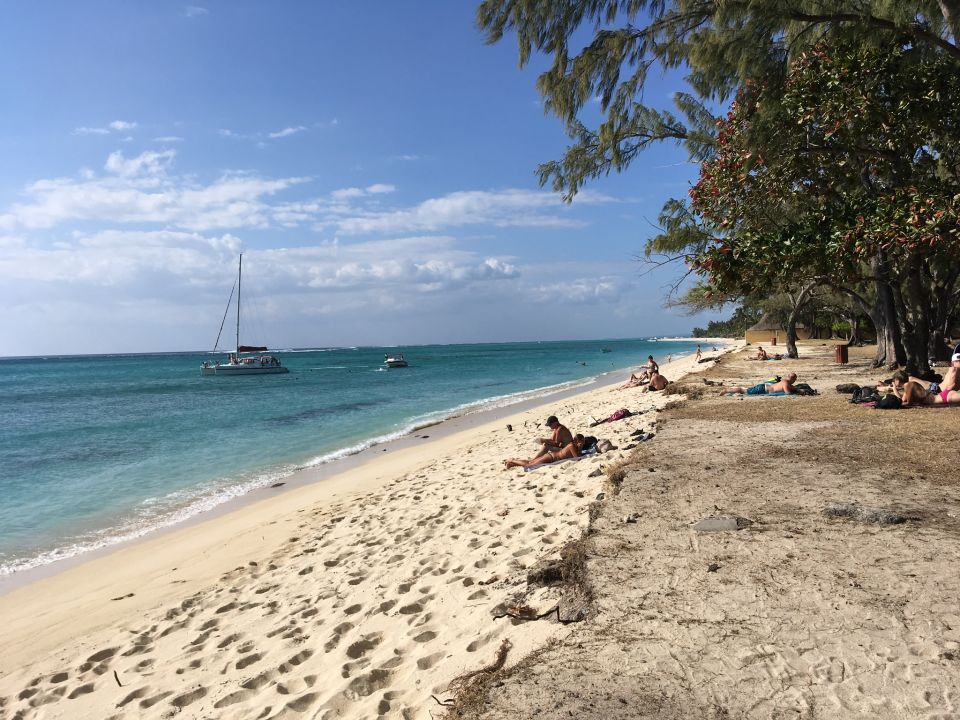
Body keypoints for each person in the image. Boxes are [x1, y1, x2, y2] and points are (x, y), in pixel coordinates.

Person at [505, 434, 584, 469]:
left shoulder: (575, 447)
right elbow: (577, 458)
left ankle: (511, 464)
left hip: (551, 457)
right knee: (529, 465)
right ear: (577, 441)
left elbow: (578, 455)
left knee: (531, 462)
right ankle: (512, 460)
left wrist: (580, 448)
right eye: (582, 441)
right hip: (551, 458)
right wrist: (580, 448)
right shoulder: (571, 446)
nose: (583, 443)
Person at [726, 373, 798, 395]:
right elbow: (788, 393)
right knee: (743, 391)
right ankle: (726, 391)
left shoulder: (785, 381)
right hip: (762, 389)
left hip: (763, 387)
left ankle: (732, 389)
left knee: (745, 390)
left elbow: (789, 387)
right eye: (795, 379)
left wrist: (794, 388)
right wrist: (796, 391)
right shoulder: (786, 384)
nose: (795, 381)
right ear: (792, 379)